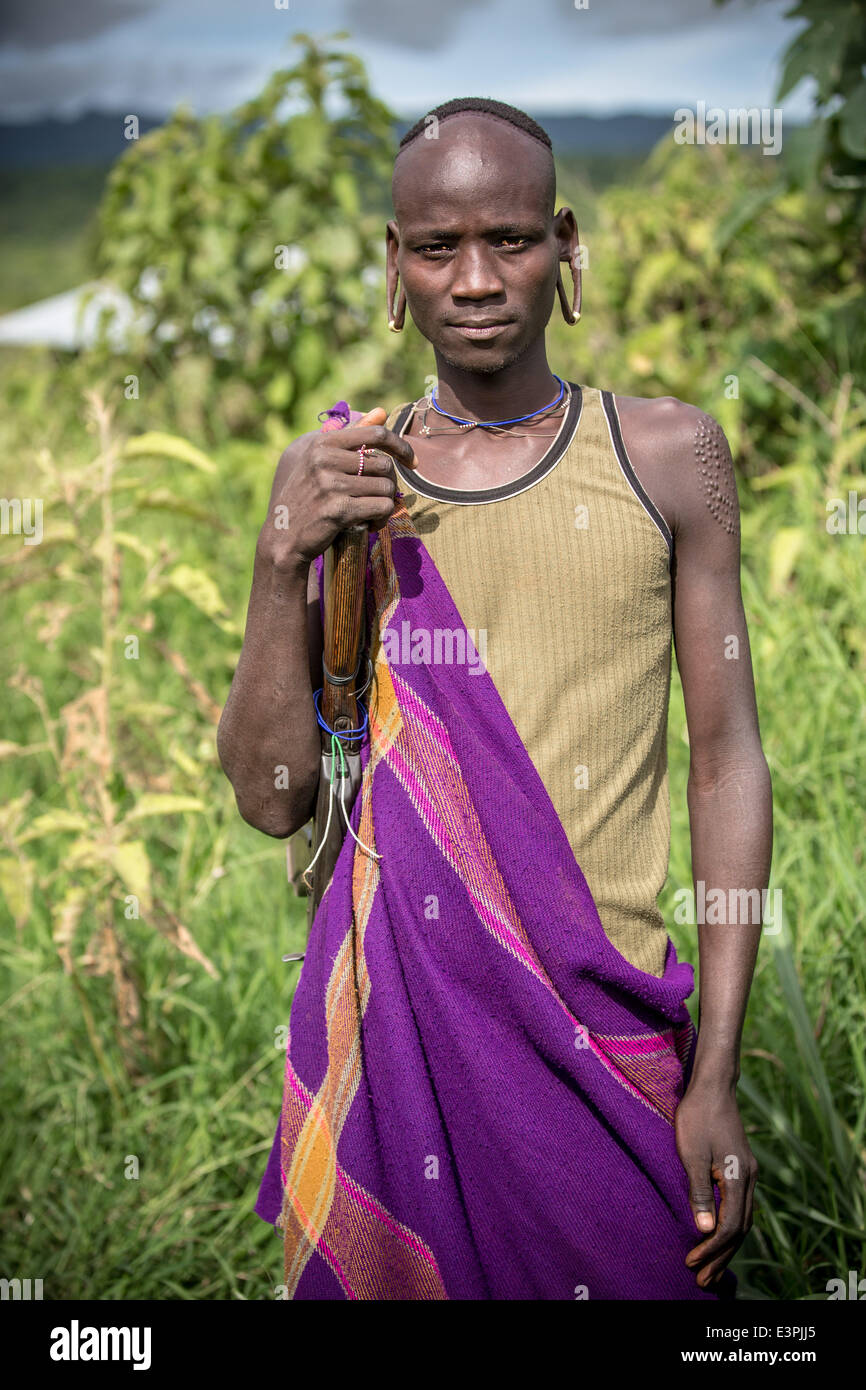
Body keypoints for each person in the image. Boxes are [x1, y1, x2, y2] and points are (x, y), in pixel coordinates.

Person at [217, 97, 772, 1300]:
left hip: (606, 1034)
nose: (474, 279)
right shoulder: (349, 475)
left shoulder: (670, 456)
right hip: (403, 1039)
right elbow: (272, 799)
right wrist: (280, 559)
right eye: (436, 247)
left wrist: (714, 1069)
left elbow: (728, 758)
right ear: (394, 266)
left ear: (564, 245)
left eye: (511, 239)